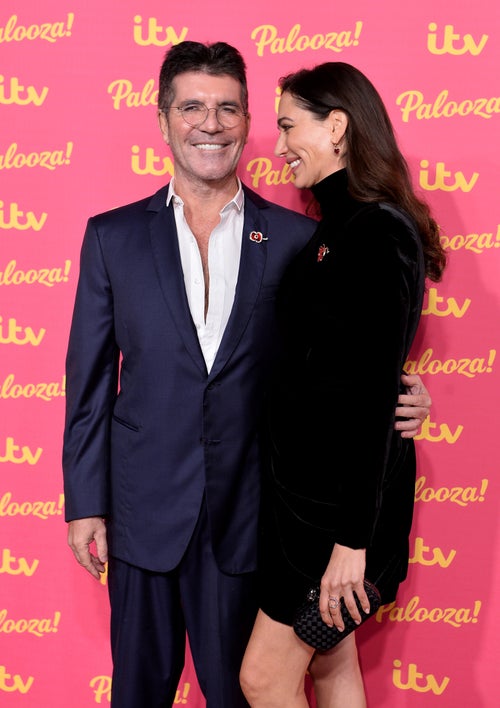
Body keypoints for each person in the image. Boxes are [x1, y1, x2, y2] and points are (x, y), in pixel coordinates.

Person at [62, 43, 432, 708]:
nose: (211, 123)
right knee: (137, 692)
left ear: (247, 120)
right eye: (192, 107)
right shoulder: (110, 237)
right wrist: (86, 503)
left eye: (228, 108)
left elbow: (345, 357)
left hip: (253, 518)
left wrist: (405, 395)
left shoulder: (298, 238)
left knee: (247, 689)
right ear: (163, 120)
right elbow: (87, 386)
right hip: (143, 513)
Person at [240, 62, 446, 708]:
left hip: (332, 519)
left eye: (288, 127)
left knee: (263, 679)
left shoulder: (377, 232)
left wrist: (351, 543)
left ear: (336, 127)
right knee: (331, 669)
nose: (277, 146)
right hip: (304, 504)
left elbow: (367, 396)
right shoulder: (339, 226)